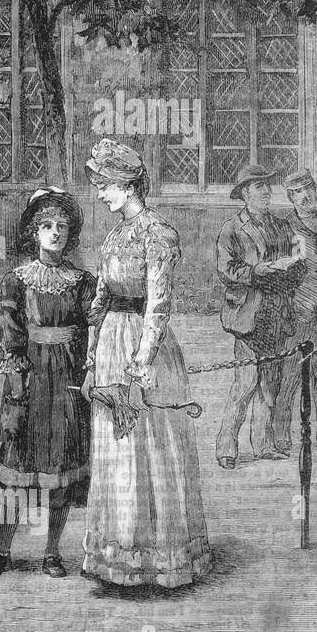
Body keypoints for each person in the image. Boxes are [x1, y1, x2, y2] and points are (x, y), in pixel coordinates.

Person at [81, 139, 212, 588]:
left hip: (144, 348)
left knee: (151, 446)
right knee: (117, 451)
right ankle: (120, 553)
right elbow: (100, 300)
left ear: (128, 184)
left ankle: (160, 555)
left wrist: (142, 361)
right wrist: (90, 358)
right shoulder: (115, 235)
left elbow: (158, 305)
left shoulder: (159, 234)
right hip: (112, 345)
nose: (99, 194)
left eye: (104, 185)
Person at [0, 188, 96, 580]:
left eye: (62, 227)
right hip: (30, 378)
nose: (55, 233)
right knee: (17, 468)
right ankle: (2, 550)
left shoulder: (83, 282)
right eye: (46, 225)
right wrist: (16, 383)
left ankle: (51, 552)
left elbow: (89, 331)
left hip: (66, 382)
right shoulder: (15, 281)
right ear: (33, 232)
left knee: (61, 470)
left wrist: (88, 373)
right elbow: (10, 335)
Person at [214, 164, 305, 469]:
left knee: (271, 383)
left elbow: (299, 263)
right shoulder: (232, 229)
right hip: (250, 315)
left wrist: (288, 272)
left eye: (267, 186)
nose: (266, 191)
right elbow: (226, 270)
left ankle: (263, 444)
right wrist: (256, 272)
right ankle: (227, 448)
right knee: (245, 383)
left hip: (277, 313)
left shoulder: (282, 225)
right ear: (244, 194)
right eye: (258, 187)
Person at [273, 169, 317, 451]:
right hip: (296, 311)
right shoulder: (283, 227)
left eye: (308, 189)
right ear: (290, 197)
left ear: (315, 189)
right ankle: (280, 436)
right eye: (297, 192)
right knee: (289, 374)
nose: (305, 196)